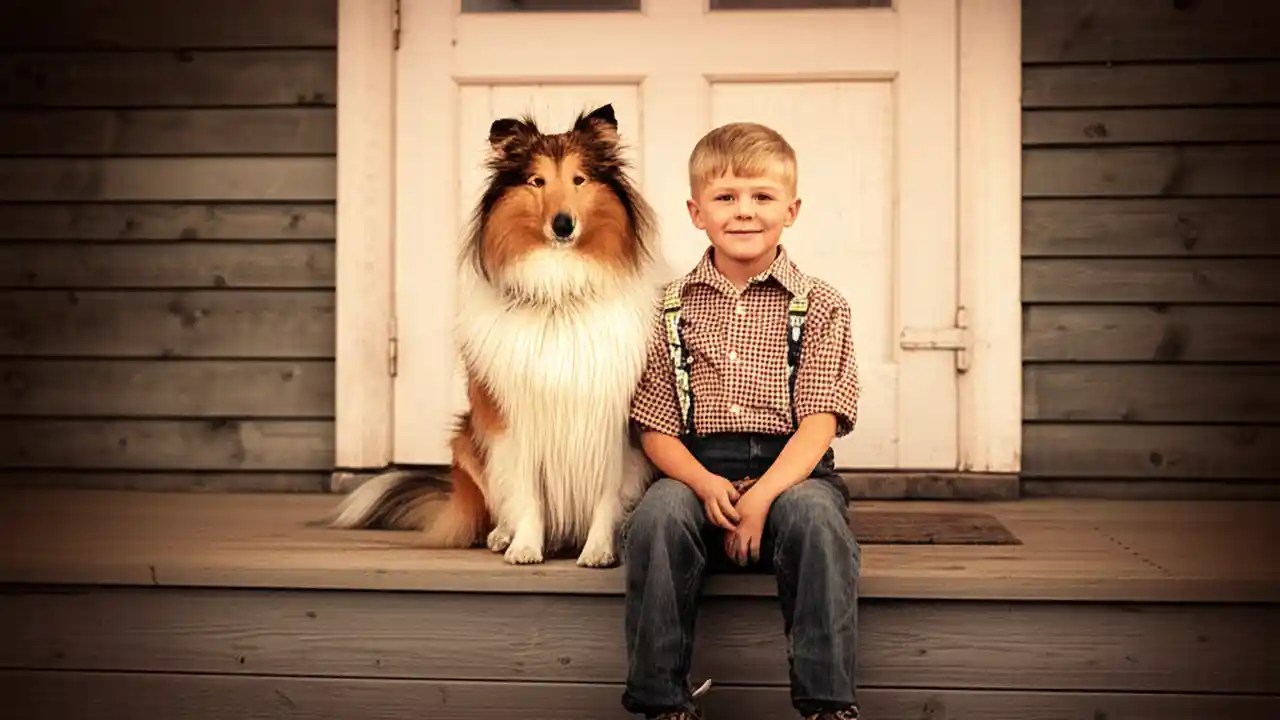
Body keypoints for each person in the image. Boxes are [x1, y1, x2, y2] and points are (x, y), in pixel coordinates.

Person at [620, 121, 862, 720]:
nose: (744, 212)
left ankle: (825, 701)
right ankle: (662, 699)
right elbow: (655, 428)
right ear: (696, 211)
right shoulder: (666, 308)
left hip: (793, 470)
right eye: (725, 197)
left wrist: (763, 499)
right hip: (694, 468)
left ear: (792, 209)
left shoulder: (822, 305)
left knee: (816, 519)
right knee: (655, 517)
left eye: (762, 196)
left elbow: (819, 425)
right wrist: (704, 484)